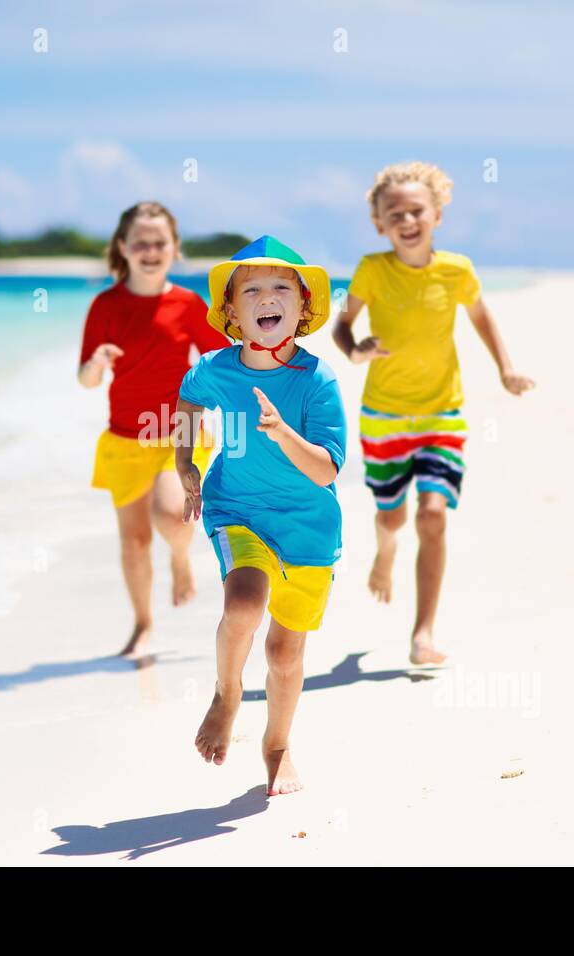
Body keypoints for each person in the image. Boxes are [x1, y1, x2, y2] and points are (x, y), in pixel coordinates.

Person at [332, 162, 535, 665]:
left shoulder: (457, 270)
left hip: (443, 413)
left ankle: (422, 634)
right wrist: (356, 350)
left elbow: (482, 315)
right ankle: (384, 552)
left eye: (416, 210)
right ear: (379, 223)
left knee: (432, 516)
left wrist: (506, 368)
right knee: (392, 515)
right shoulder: (373, 269)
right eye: (393, 213)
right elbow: (342, 323)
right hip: (384, 416)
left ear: (437, 214)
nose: (406, 219)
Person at [174, 236, 346, 796]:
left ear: (302, 309)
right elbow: (188, 400)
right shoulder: (215, 369)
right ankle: (227, 694)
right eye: (251, 290)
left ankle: (277, 746)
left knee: (283, 651)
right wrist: (186, 462)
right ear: (230, 312)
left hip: (308, 529)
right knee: (244, 600)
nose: (266, 298)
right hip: (236, 507)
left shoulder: (316, 380)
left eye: (280, 289)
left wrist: (282, 432)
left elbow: (325, 470)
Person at [78, 201, 227, 657]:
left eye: (159, 242)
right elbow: (85, 377)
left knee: (170, 515)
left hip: (177, 431)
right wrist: (98, 362)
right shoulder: (105, 305)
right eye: (139, 242)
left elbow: (221, 361)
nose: (149, 250)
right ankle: (143, 624)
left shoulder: (186, 304)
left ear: (174, 248)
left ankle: (181, 558)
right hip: (124, 438)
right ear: (122, 247)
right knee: (135, 540)